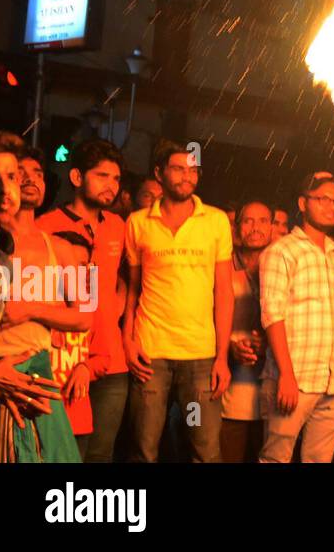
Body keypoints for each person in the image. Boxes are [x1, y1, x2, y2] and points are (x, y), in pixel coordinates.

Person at [122, 139, 232, 462]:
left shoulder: (215, 221)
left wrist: (222, 356)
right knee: (144, 449)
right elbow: (132, 289)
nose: (187, 176)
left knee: (204, 449)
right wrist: (128, 340)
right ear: (159, 173)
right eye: (178, 169)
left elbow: (223, 293)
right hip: (150, 357)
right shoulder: (139, 223)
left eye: (193, 170)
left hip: (200, 360)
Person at [0, 131, 87, 462]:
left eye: (38, 174)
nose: (30, 180)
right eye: (19, 174)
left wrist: (30, 310)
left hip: (36, 371)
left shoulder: (61, 247)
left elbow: (85, 315)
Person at [39, 140, 128, 461]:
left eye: (116, 178)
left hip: (111, 362)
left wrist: (118, 320)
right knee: (58, 454)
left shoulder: (118, 226)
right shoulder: (45, 227)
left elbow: (127, 282)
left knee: (100, 455)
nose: (111, 185)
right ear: (77, 177)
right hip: (64, 362)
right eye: (102, 175)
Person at [258, 171, 334, 463]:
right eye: (323, 198)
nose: (331, 206)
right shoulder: (280, 251)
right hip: (294, 377)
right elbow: (272, 314)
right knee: (276, 458)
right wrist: (286, 374)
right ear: (302, 203)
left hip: (331, 380)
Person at [220, 200, 271, 463]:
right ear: (237, 228)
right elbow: (203, 316)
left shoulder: (280, 267)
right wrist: (228, 344)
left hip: (271, 399)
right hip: (229, 397)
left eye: (263, 221)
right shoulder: (222, 267)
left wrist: (270, 344)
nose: (255, 228)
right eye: (248, 221)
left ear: (272, 228)